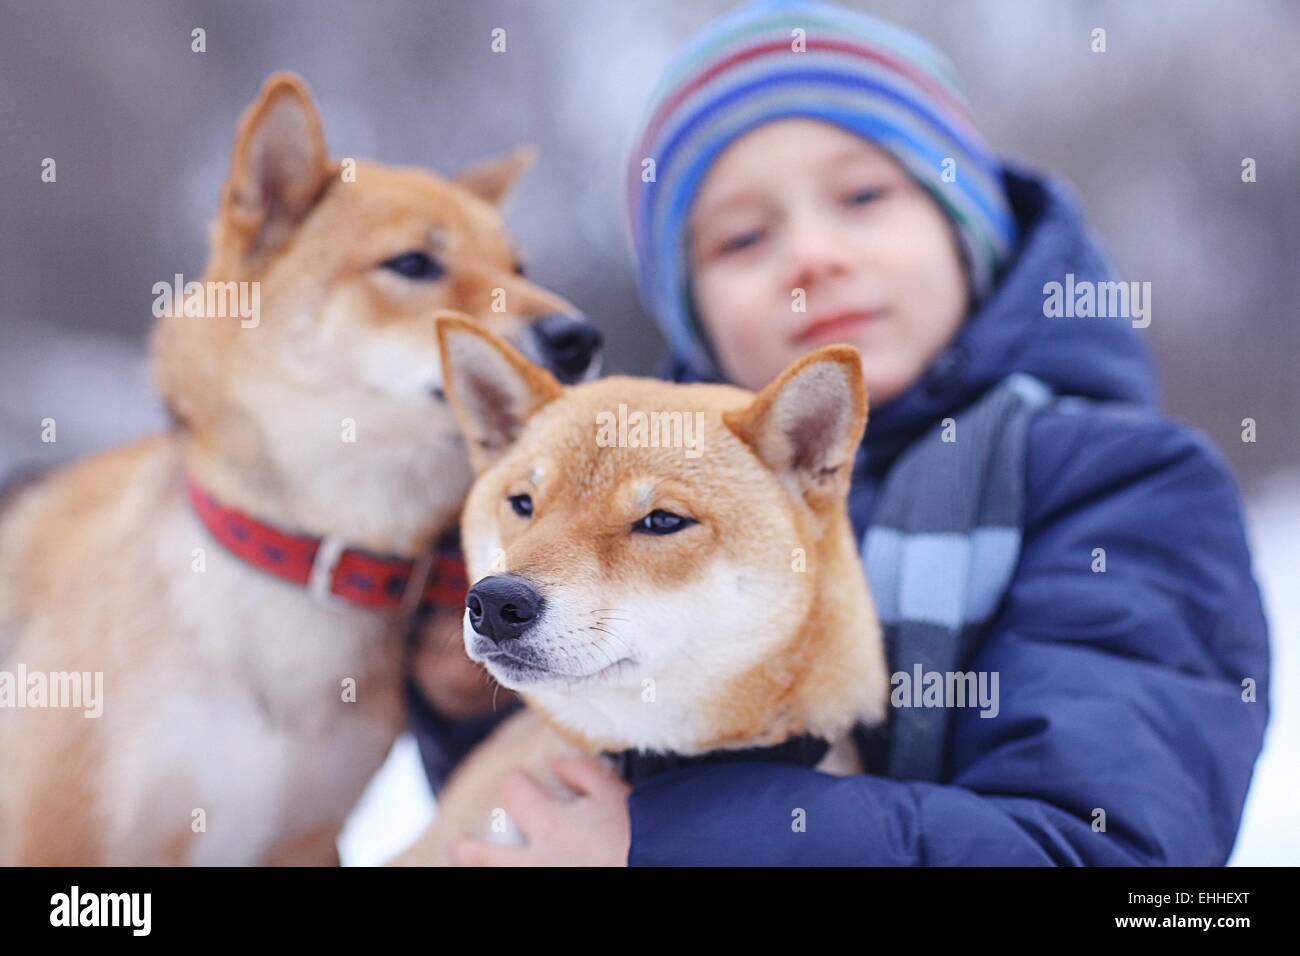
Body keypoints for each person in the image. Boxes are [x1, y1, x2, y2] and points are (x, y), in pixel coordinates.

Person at [406, 0, 1270, 865]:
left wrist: (671, 843)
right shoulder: (619, 454)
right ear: (693, 311)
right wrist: (464, 704)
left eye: (862, 196)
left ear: (966, 227)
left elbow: (1129, 873)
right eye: (744, 238)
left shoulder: (1128, 488)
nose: (812, 254)